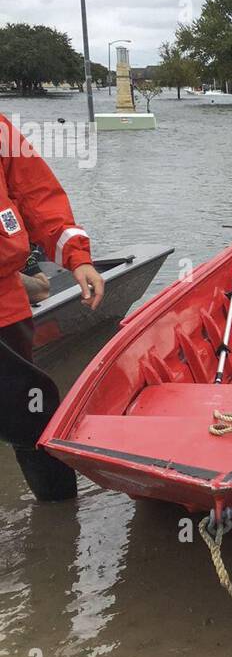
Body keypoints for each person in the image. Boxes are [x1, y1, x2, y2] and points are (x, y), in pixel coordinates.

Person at [1, 113, 104, 500]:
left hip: (4, 305)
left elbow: (38, 195)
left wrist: (78, 257)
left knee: (30, 411)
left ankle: (58, 524)